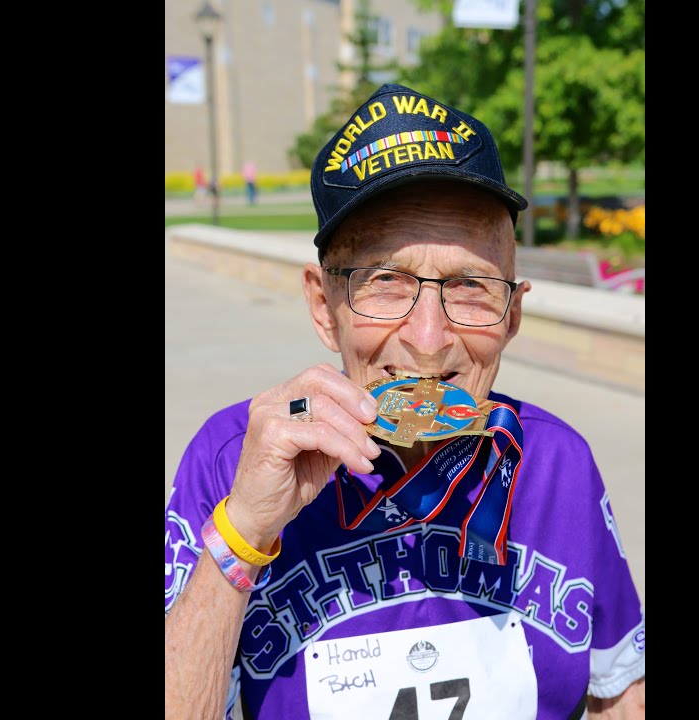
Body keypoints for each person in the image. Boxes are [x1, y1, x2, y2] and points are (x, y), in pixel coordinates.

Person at [165, 83, 645, 719]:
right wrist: (245, 531)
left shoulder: (557, 462)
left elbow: (621, 689)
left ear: (514, 311)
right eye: (385, 282)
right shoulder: (235, 459)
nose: (428, 341)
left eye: (470, 286)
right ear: (322, 305)